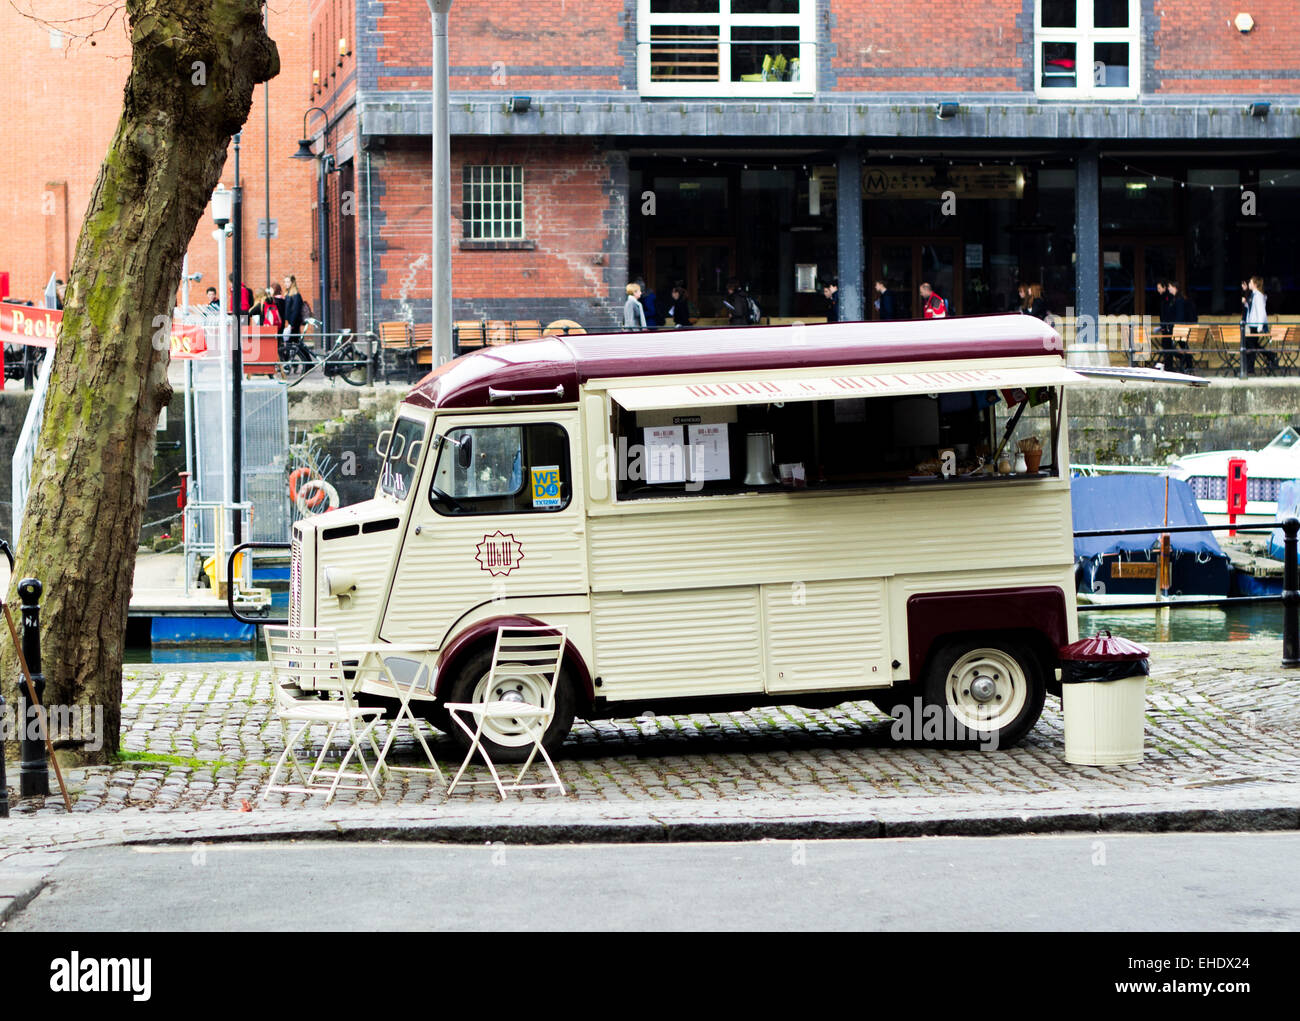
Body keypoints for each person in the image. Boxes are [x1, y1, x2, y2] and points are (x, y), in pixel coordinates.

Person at [1243, 275, 1274, 375]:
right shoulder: (1254, 295)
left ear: (1255, 284)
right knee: (1253, 345)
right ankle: (1270, 356)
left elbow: (1261, 312)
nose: (1249, 284)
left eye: (1250, 283)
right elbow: (1250, 309)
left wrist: (1260, 326)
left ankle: (1250, 369)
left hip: (1256, 325)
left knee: (1250, 346)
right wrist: (1245, 302)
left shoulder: (1258, 296)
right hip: (1252, 323)